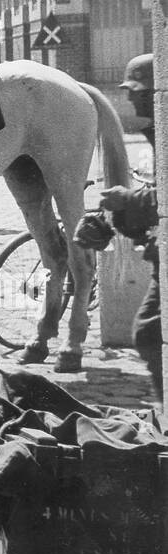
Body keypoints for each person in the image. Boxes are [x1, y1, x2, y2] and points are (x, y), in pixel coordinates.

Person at [97, 53, 163, 400]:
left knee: (150, 333)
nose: (130, 96)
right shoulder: (157, 128)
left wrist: (128, 200)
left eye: (138, 89)